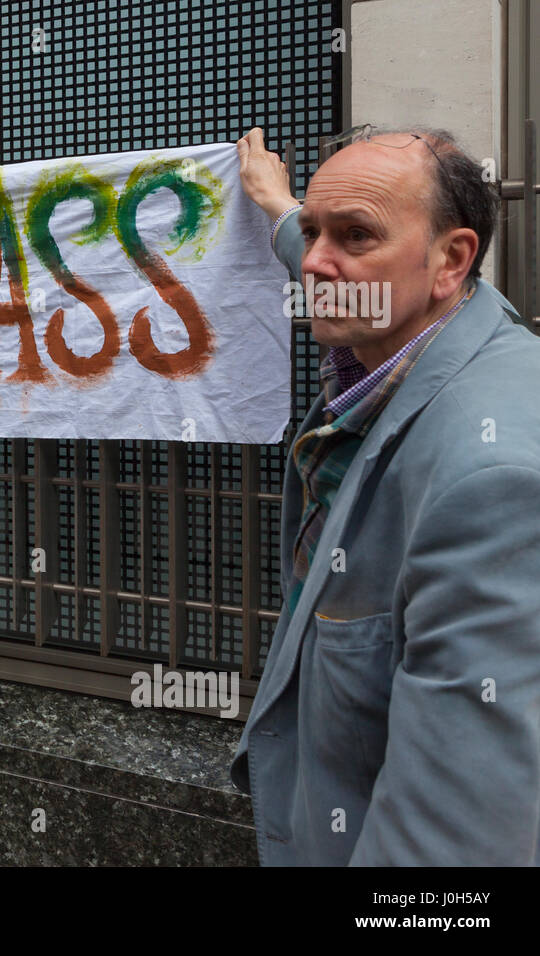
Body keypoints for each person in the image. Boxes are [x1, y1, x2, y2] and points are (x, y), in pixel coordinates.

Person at [231, 125, 540, 865]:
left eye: (355, 234)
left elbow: (456, 846)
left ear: (452, 259)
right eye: (311, 233)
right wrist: (279, 206)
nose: (312, 264)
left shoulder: (492, 483)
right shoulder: (410, 314)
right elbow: (331, 257)